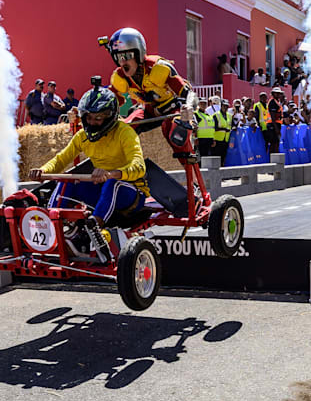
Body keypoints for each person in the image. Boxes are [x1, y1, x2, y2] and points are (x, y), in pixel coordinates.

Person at [28, 83, 147, 263]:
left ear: (110, 116)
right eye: (89, 117)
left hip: (131, 193)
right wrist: (43, 171)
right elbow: (60, 160)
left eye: (98, 118)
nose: (92, 122)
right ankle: (52, 232)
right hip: (102, 191)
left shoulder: (125, 132)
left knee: (112, 184)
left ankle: (93, 232)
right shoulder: (82, 136)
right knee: (66, 179)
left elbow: (139, 166)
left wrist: (112, 173)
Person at [104, 27, 199, 162]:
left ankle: (192, 178)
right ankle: (125, 167)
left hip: (172, 108)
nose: (123, 62)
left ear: (139, 54)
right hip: (149, 110)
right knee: (126, 128)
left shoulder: (158, 67)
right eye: (119, 57)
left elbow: (189, 93)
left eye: (127, 56)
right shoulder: (119, 77)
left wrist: (189, 107)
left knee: (174, 129)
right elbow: (110, 101)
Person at [214, 99, 232, 163]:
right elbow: (214, 128)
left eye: (227, 106)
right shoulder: (216, 115)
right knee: (217, 157)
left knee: (224, 156)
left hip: (226, 139)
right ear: (221, 106)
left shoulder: (229, 116)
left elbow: (231, 126)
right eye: (224, 106)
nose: (225, 108)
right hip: (218, 140)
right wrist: (224, 129)